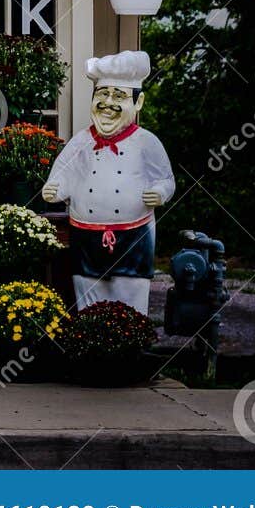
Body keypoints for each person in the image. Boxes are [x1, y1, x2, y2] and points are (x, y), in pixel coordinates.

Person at [41, 51, 175, 314]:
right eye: (102, 94)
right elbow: (62, 175)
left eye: (119, 96)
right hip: (86, 236)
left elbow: (166, 180)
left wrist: (160, 192)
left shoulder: (146, 142)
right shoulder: (81, 141)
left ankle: (132, 338)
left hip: (133, 236)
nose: (108, 103)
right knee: (90, 301)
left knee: (131, 301)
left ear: (138, 102)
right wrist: (55, 189)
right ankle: (91, 338)